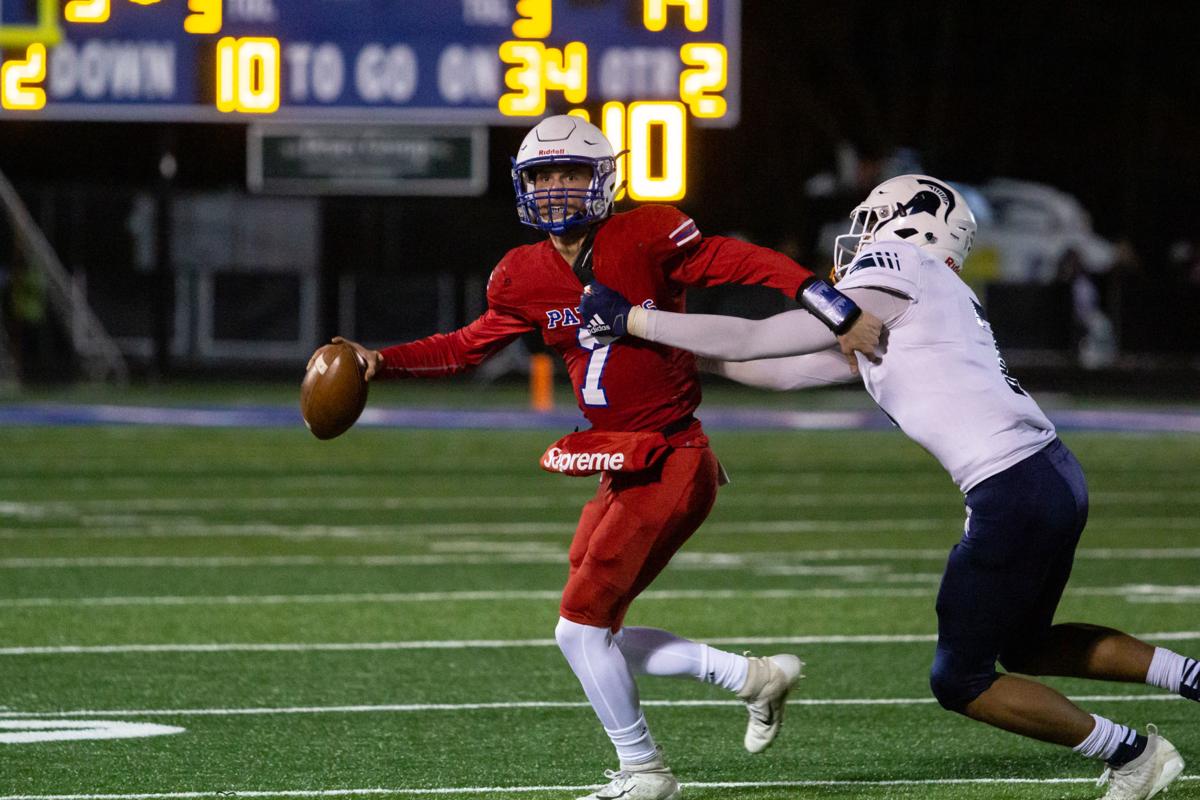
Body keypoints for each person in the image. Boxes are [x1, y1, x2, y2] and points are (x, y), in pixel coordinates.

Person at [318, 114, 883, 800]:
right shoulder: (522, 274)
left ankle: (645, 772)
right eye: (542, 175)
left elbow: (742, 260)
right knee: (592, 628)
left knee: (580, 626)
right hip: (620, 461)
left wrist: (825, 299)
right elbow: (464, 346)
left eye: (570, 173)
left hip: (672, 456)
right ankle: (748, 678)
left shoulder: (644, 235)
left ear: (603, 178)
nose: (556, 188)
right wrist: (385, 361)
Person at [580, 174, 1196, 800]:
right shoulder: (924, 291)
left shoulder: (898, 262)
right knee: (1026, 644)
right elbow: (782, 369)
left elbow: (759, 336)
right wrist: (685, 355)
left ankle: (1134, 755)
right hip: (1045, 475)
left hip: (1013, 487)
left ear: (909, 222)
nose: (857, 237)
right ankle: (1192, 678)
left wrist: (637, 320)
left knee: (961, 680)